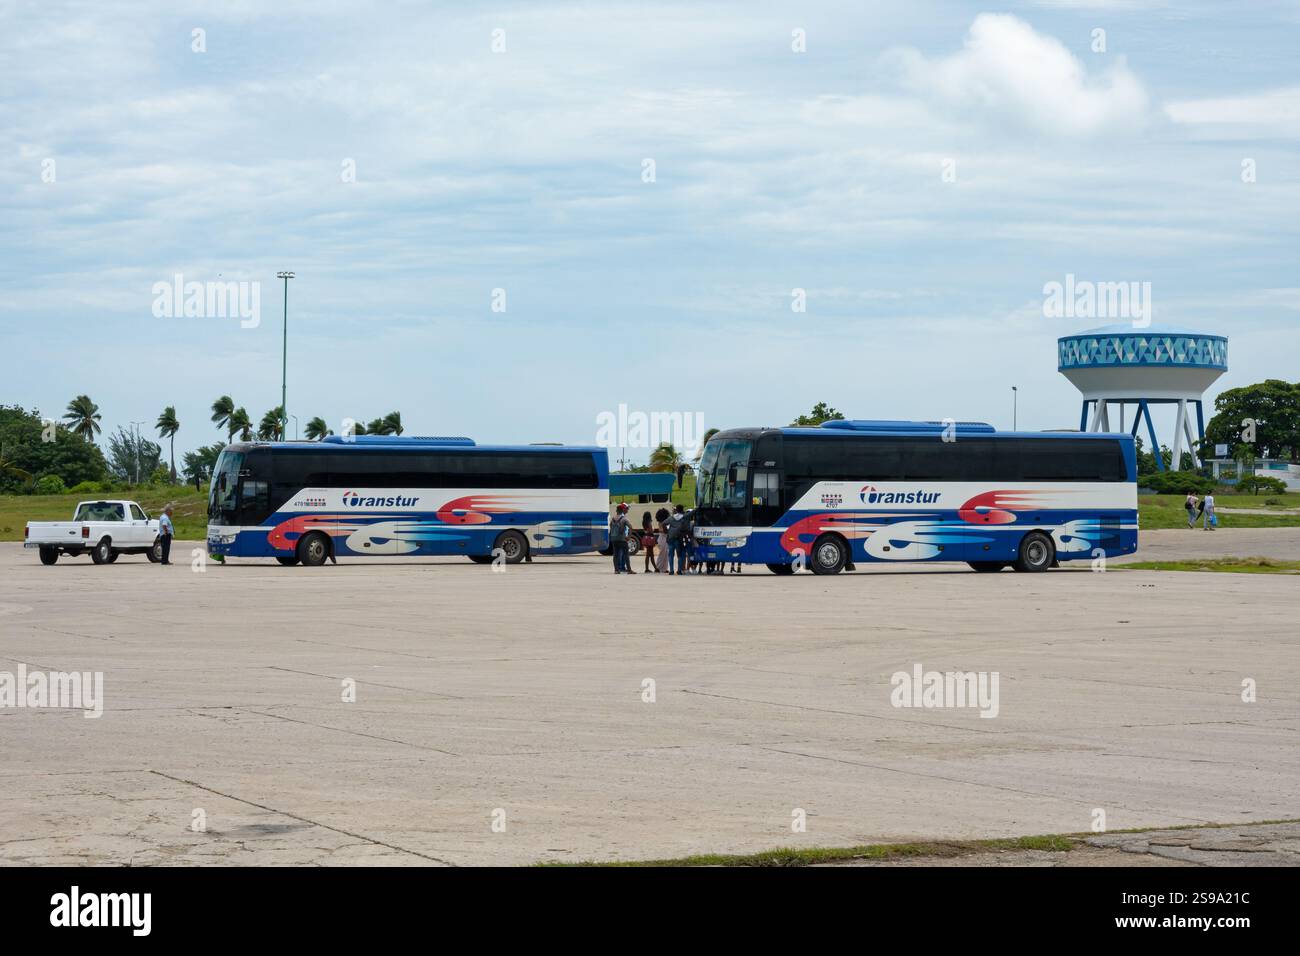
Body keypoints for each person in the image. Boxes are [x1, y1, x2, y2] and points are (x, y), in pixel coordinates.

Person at [609, 503, 633, 573]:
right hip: (622, 539)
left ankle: (616, 570)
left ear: (616, 511)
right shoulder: (624, 519)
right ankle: (629, 570)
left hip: (614, 539)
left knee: (615, 555)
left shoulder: (613, 519)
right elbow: (631, 527)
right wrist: (628, 537)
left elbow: (611, 527)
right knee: (626, 554)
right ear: (622, 510)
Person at [665, 504, 689, 575]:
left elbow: (664, 523)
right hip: (678, 538)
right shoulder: (683, 517)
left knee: (670, 555)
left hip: (670, 538)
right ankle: (679, 570)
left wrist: (667, 532)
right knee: (679, 555)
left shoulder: (672, 517)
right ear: (682, 510)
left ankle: (671, 570)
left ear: (676, 510)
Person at [654, 508, 670, 573]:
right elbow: (660, 530)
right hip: (662, 538)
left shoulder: (664, 522)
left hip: (664, 538)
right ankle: (658, 567)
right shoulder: (661, 523)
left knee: (666, 554)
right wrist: (666, 531)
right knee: (662, 554)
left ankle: (664, 568)